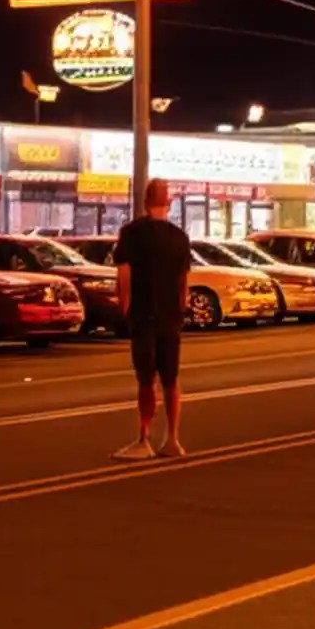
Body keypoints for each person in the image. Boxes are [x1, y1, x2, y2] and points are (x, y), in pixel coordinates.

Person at [111, 178, 191, 460]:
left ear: (145, 201)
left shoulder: (131, 233)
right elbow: (184, 284)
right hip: (170, 317)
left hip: (144, 315)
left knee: (146, 379)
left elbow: (124, 276)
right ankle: (173, 439)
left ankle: (144, 437)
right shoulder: (179, 237)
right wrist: (179, 310)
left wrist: (125, 309)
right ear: (168, 202)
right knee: (171, 380)